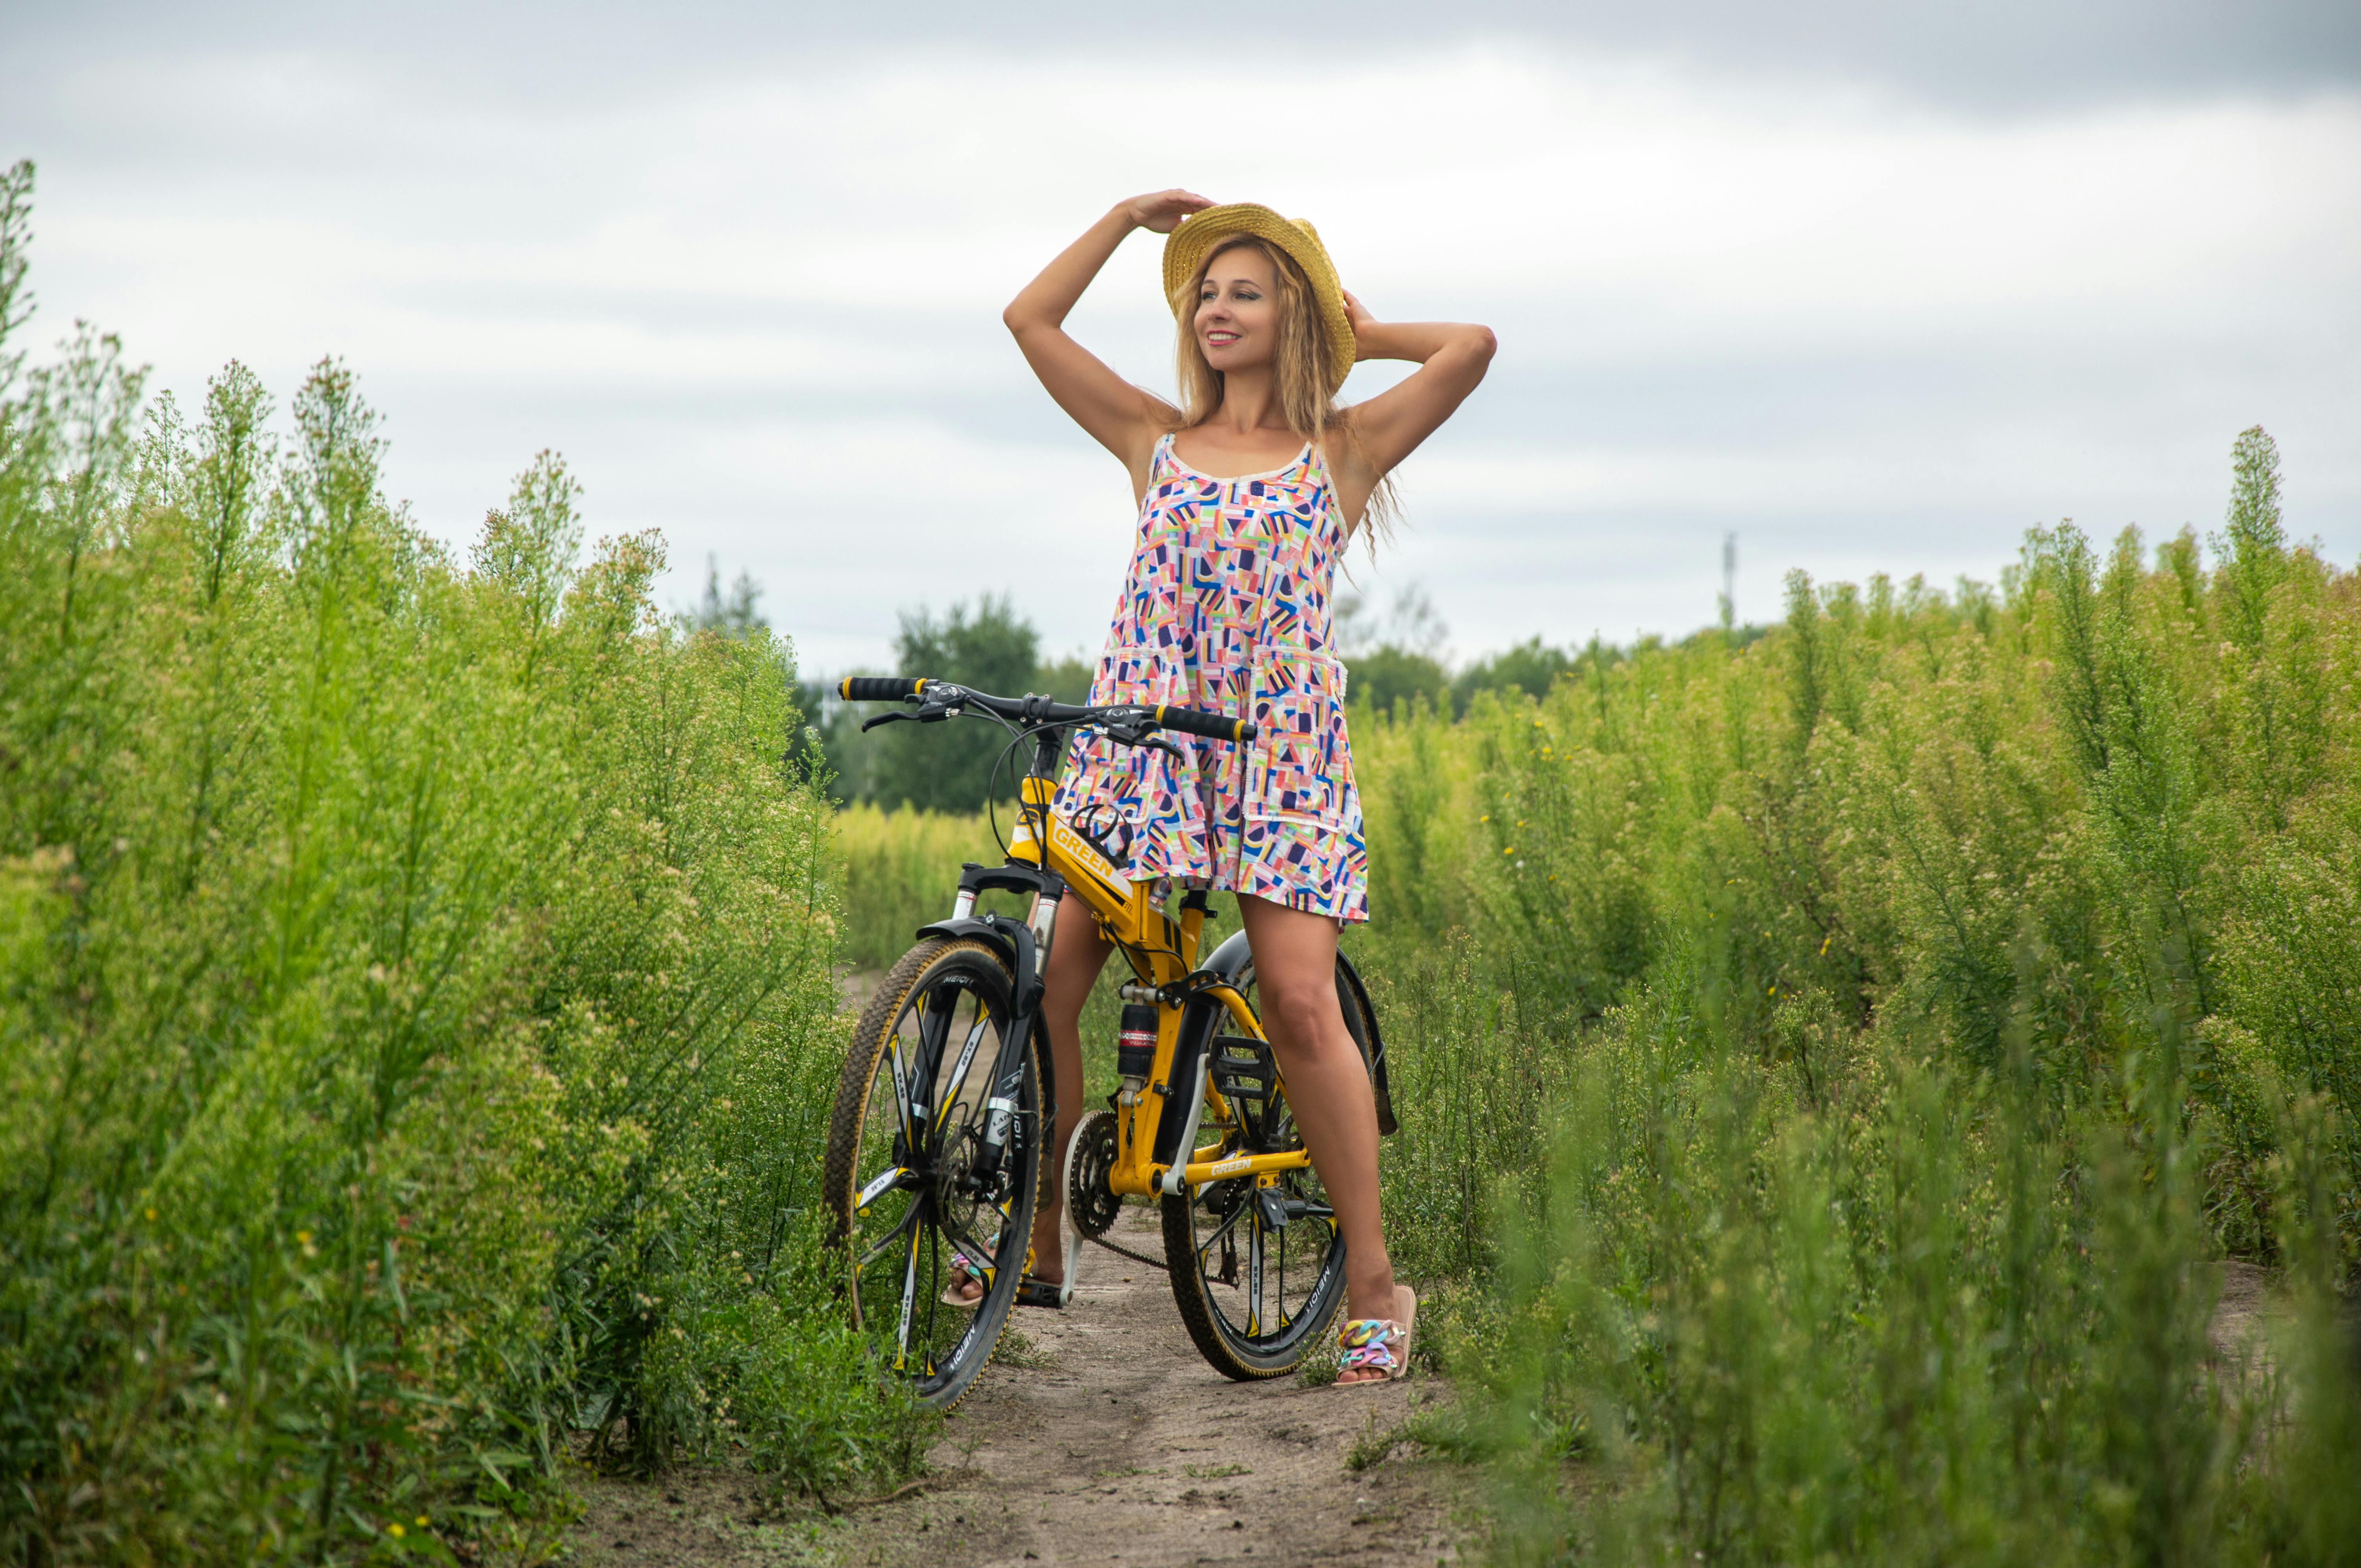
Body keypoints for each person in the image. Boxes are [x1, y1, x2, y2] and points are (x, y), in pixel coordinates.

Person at [955, 190, 1493, 1385]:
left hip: (1279, 754)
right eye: (1204, 291)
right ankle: (1037, 1237)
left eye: (1244, 290)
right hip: (1141, 746)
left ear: (1291, 312)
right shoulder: (1152, 438)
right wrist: (1120, 219)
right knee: (1049, 974)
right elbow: (1028, 318)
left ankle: (1375, 1285)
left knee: (1301, 1009)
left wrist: (1366, 331)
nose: (1214, 307)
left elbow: (1474, 350)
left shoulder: (1339, 452)